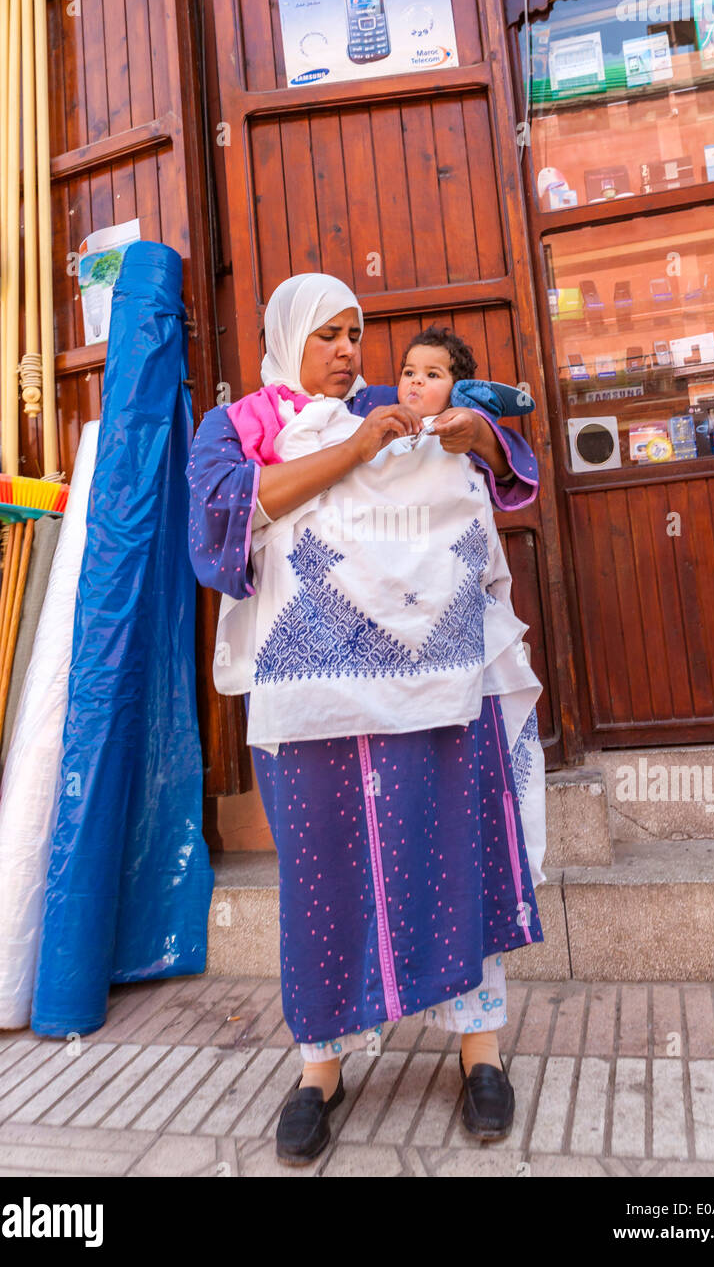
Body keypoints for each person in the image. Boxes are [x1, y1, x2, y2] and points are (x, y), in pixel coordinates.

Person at [186, 273, 546, 1166]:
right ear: (289, 339)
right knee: (322, 868)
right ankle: (320, 1067)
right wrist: (352, 454)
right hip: (312, 700)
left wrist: (482, 436)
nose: (351, 350)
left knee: (457, 842)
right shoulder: (235, 428)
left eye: (358, 332)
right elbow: (224, 524)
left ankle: (480, 1049)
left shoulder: (395, 403)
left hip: (437, 684)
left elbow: (505, 456)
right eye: (330, 335)